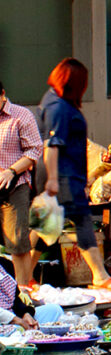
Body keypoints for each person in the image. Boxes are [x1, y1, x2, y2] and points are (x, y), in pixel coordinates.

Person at [39, 58, 111, 289]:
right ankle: (100, 276)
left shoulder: (55, 101)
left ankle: (23, 278)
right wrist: (52, 179)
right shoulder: (58, 107)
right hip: (63, 176)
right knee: (82, 222)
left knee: (45, 227)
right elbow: (51, 146)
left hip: (68, 175)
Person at [0, 79, 43, 286]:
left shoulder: (20, 115)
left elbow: (35, 150)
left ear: (2, 94)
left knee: (18, 242)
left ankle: (23, 290)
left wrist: (12, 171)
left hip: (14, 186)